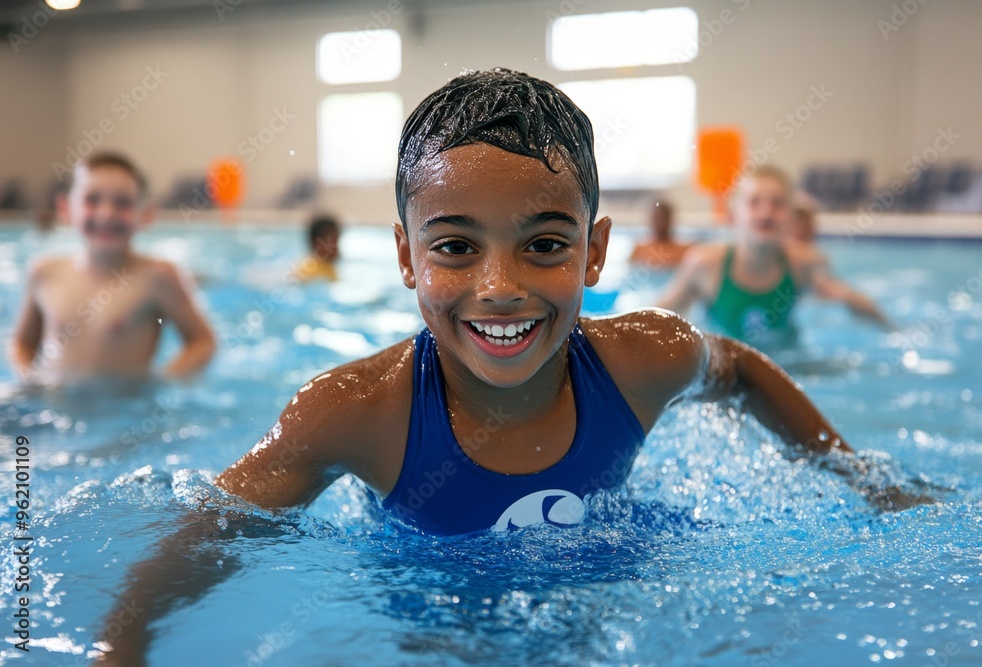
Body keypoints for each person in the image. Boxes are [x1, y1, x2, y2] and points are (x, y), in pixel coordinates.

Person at [94, 70, 928, 665]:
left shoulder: (639, 359)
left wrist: (859, 473)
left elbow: (739, 368)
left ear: (595, 251)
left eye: (545, 245)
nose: (501, 289)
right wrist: (122, 640)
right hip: (431, 622)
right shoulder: (355, 412)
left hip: (609, 587)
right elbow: (208, 536)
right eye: (456, 247)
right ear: (406, 257)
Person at [8, 152, 216, 384]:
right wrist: (28, 376)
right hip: (55, 404)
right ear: (66, 208)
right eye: (92, 200)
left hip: (122, 412)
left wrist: (164, 382)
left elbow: (202, 341)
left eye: (123, 203)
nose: (106, 214)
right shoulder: (44, 273)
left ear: (146, 214)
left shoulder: (157, 277)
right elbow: (22, 342)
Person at [656, 165, 892, 345]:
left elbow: (848, 299)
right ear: (733, 215)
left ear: (791, 217)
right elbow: (660, 314)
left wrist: (893, 331)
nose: (766, 212)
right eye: (754, 202)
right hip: (722, 361)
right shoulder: (705, 264)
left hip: (786, 359)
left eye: (777, 203)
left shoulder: (805, 263)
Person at [628, 198, 691, 269]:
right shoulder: (639, 250)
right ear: (651, 219)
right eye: (656, 218)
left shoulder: (684, 250)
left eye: (663, 217)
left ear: (670, 219)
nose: (660, 222)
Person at [292, 213, 341, 282]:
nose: (337, 247)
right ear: (318, 244)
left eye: (337, 241)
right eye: (333, 242)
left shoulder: (326, 266)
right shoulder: (309, 271)